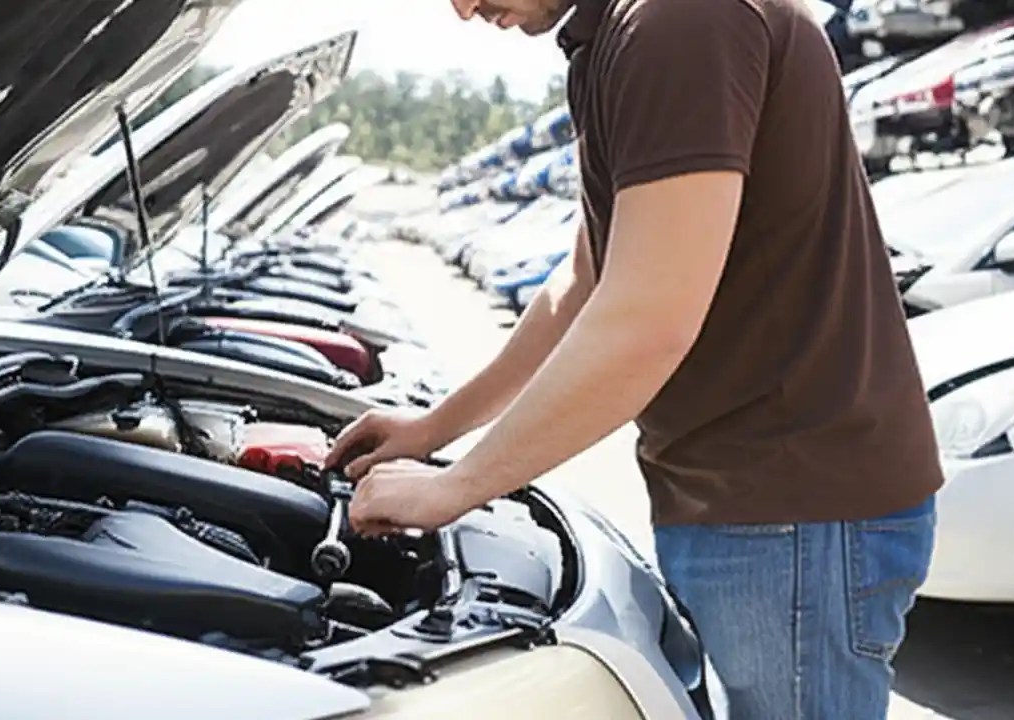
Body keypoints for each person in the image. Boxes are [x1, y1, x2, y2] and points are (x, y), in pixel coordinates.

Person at [325, 0, 945, 716]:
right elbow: (588, 282)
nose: (463, 10)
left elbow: (647, 319)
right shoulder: (615, 35)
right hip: (755, 506)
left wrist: (455, 488)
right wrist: (436, 430)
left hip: (797, 513)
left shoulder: (682, 22)